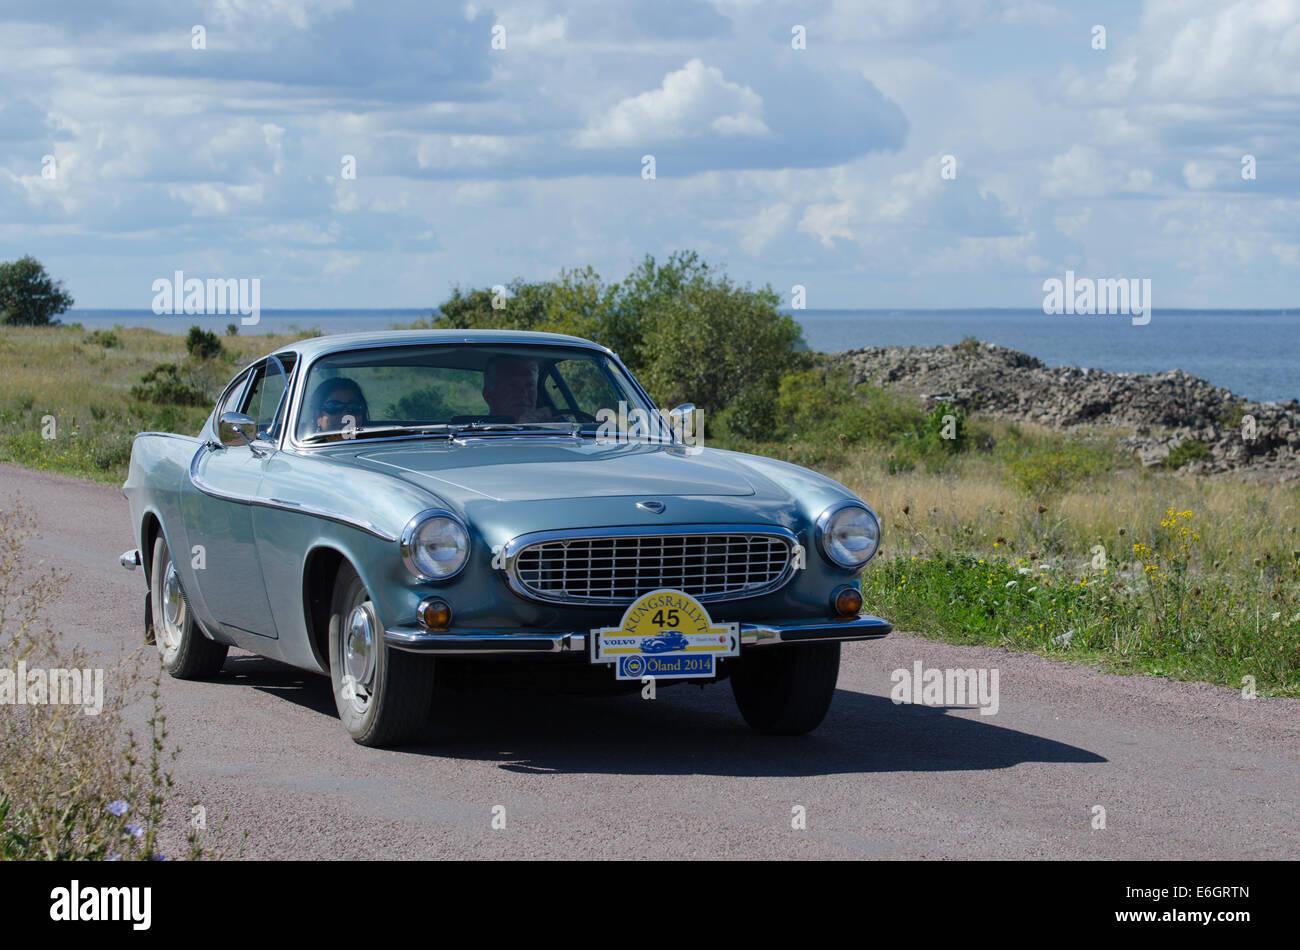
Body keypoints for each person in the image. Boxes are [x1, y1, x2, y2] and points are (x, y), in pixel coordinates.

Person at [481, 355, 556, 423]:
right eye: (512, 385)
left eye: (529, 385)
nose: (523, 393)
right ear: (488, 395)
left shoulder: (555, 432)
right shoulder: (477, 434)